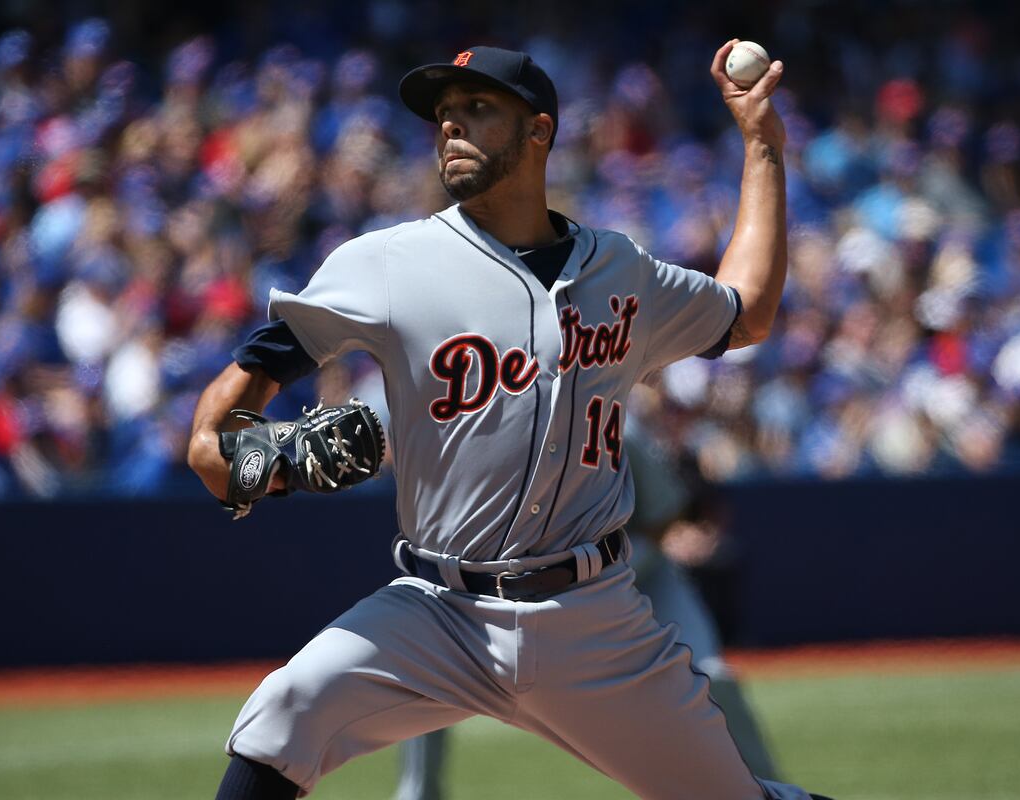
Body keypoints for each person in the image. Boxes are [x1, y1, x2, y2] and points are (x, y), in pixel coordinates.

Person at [189, 42, 830, 800]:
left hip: (592, 622)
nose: (451, 127)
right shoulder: (388, 263)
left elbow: (747, 311)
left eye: (478, 109)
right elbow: (217, 436)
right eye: (444, 115)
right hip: (436, 613)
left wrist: (761, 143)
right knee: (285, 716)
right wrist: (258, 458)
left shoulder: (620, 271)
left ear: (539, 132)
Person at [391, 417, 781, 800]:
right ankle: (417, 792)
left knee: (712, 676)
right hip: (522, 589)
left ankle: (766, 789)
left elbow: (664, 514)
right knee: (432, 670)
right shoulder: (482, 436)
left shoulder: (615, 423)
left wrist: (611, 569)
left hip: (639, 577)